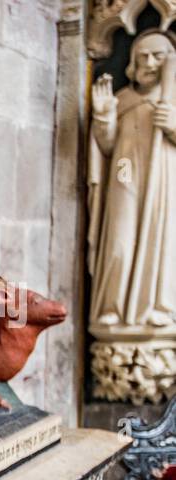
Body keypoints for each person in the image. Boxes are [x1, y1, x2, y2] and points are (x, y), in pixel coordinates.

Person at [89, 30, 176, 329]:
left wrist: (174, 127)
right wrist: (104, 117)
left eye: (158, 56)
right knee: (119, 242)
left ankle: (160, 306)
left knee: (162, 243)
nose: (149, 62)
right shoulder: (122, 99)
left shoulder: (172, 102)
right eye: (143, 55)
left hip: (165, 183)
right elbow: (108, 147)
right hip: (124, 178)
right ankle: (114, 306)